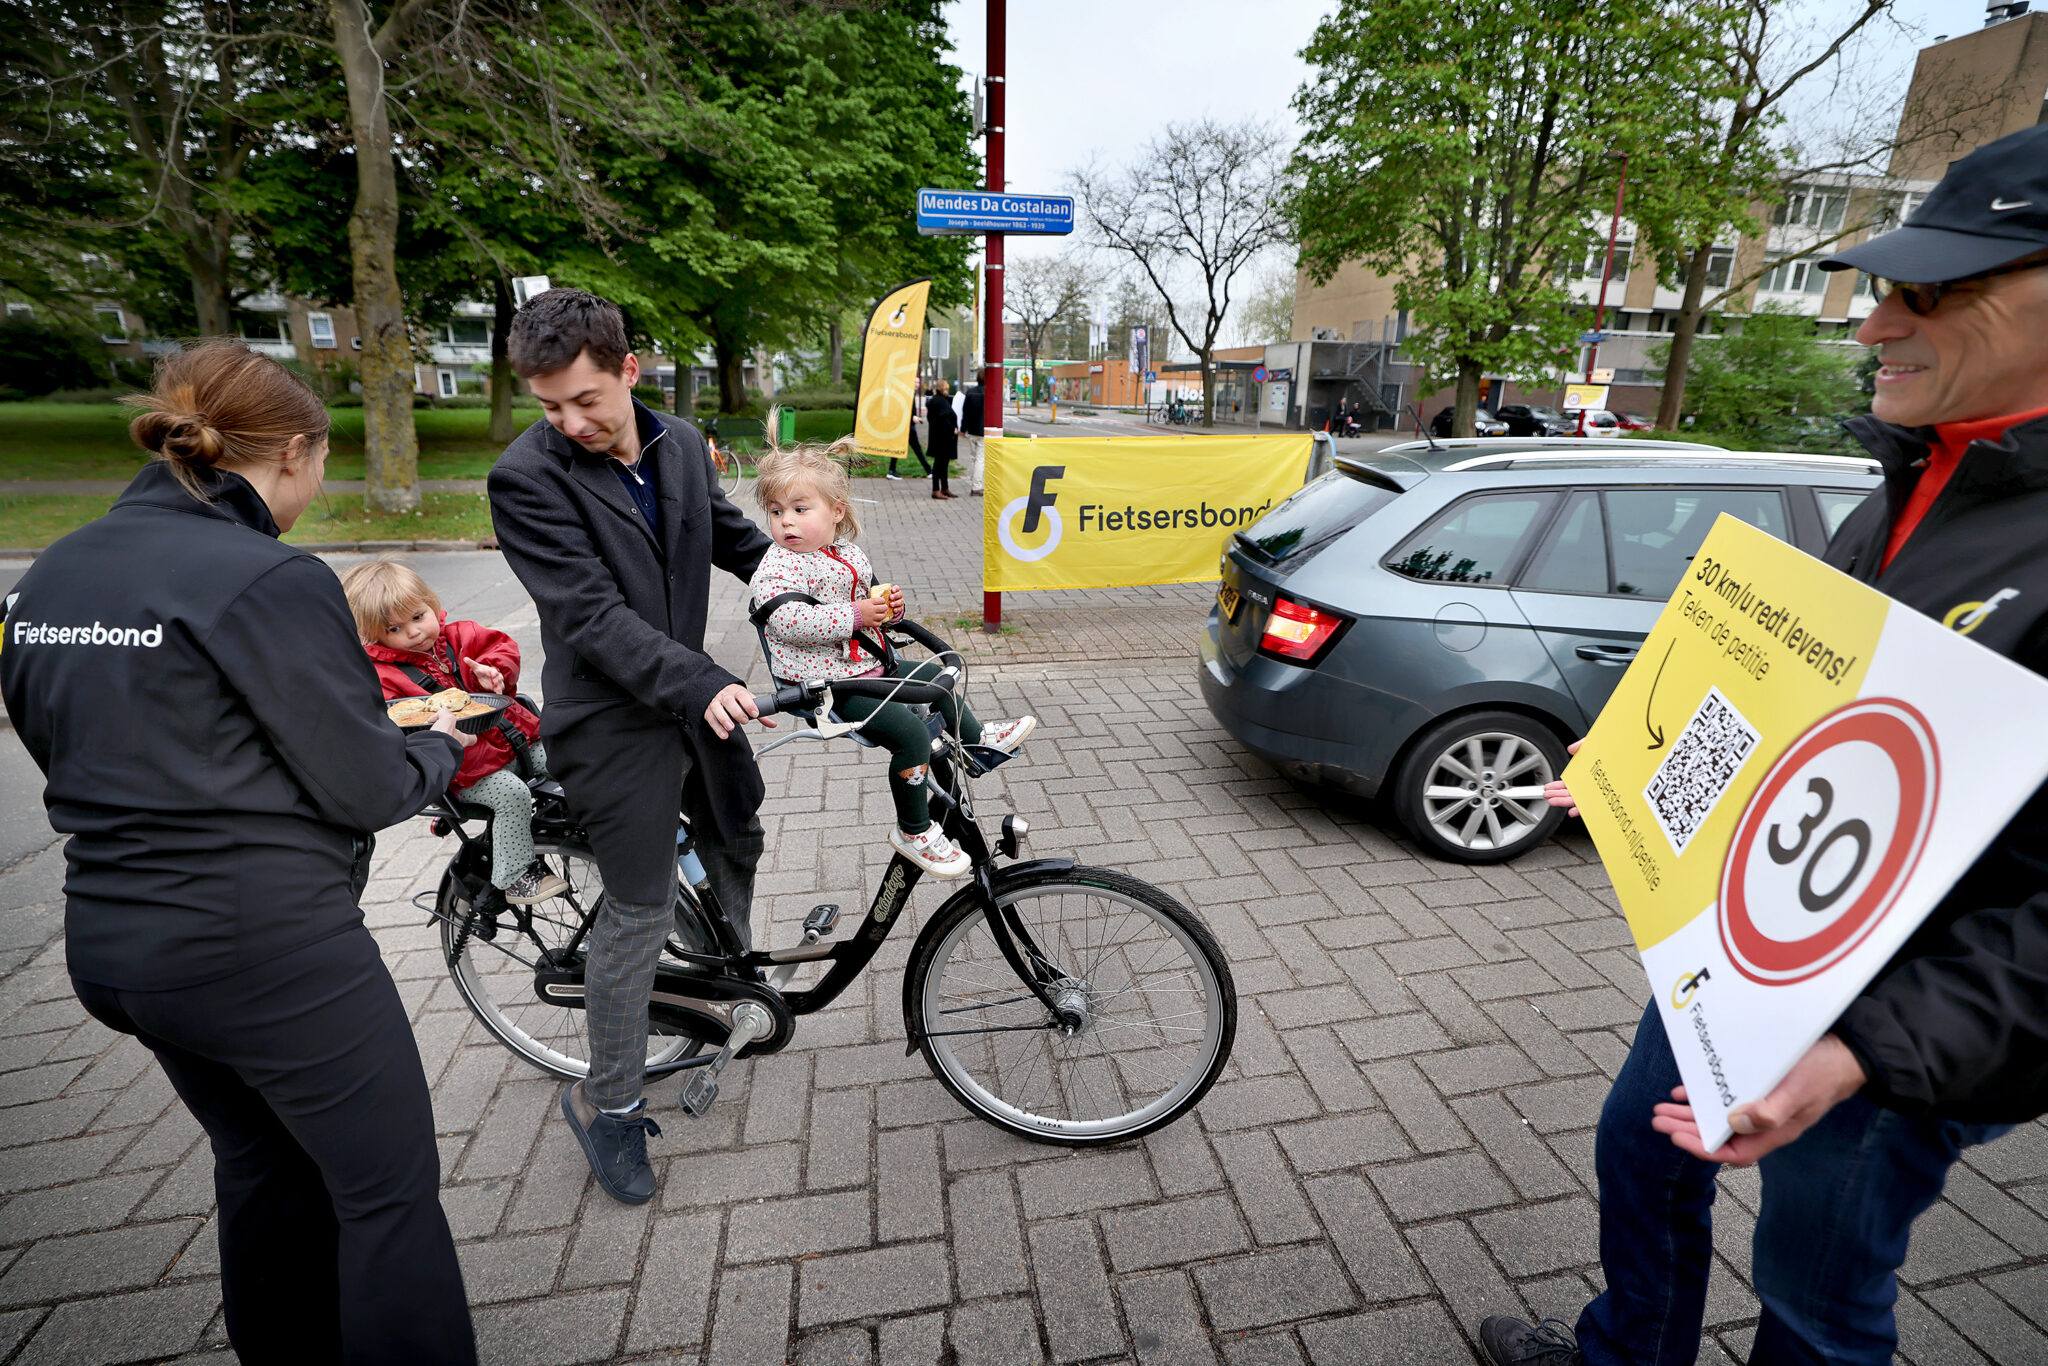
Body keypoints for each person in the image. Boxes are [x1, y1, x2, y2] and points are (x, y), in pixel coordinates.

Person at [1479, 123, 2048, 1366]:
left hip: (1902, 1026)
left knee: (1813, 1291)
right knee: (1637, 1144)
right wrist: (1631, 757)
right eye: (1882, 288)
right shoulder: (1916, 473)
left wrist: (1865, 1051)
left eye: (1933, 291)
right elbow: (1795, 697)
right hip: (1748, 949)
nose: (1871, 326)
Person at [0, 339, 477, 1364]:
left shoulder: (58, 569)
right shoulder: (268, 577)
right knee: (385, 1197)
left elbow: (67, 736)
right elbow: (363, 783)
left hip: (116, 946)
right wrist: (438, 748)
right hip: (265, 952)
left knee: (262, 1165)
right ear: (296, 453)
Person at [487, 288, 773, 1206]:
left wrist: (831, 596)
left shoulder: (681, 445)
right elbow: (591, 618)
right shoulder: (527, 479)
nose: (568, 422)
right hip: (610, 719)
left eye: (585, 400)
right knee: (641, 909)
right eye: (549, 407)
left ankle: (717, 987)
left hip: (690, 695)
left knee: (739, 830)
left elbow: (736, 542)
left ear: (628, 372)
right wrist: (703, 681)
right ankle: (607, 1105)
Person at [748, 443, 1034, 873]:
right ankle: (914, 829)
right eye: (775, 511)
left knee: (937, 679)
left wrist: (889, 609)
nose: (785, 521)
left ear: (836, 511)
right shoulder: (778, 566)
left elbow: (871, 607)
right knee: (912, 737)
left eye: (800, 509)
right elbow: (788, 620)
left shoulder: (847, 554)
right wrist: (857, 614)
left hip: (869, 666)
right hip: (831, 688)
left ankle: (975, 745)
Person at [342, 560, 564, 918]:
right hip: (467, 769)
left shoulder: (461, 636)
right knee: (512, 794)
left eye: (418, 616)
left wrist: (495, 672)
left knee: (571, 758)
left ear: (431, 603)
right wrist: (435, 735)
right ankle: (514, 876)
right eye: (395, 628)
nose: (414, 632)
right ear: (373, 635)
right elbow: (392, 720)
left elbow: (501, 647)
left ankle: (585, 831)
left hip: (515, 738)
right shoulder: (383, 676)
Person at [926, 378, 958, 499]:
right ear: (944, 389)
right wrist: (952, 429)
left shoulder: (935, 401)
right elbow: (943, 418)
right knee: (940, 465)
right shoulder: (941, 402)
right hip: (943, 438)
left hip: (937, 436)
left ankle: (944, 488)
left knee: (943, 464)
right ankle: (936, 490)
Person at [960, 380, 987, 494]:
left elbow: (965, 412)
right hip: (983, 431)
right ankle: (976, 486)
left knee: (974, 458)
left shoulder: (970, 392)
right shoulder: (989, 393)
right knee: (980, 459)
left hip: (972, 430)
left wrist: (963, 428)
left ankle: (975, 480)